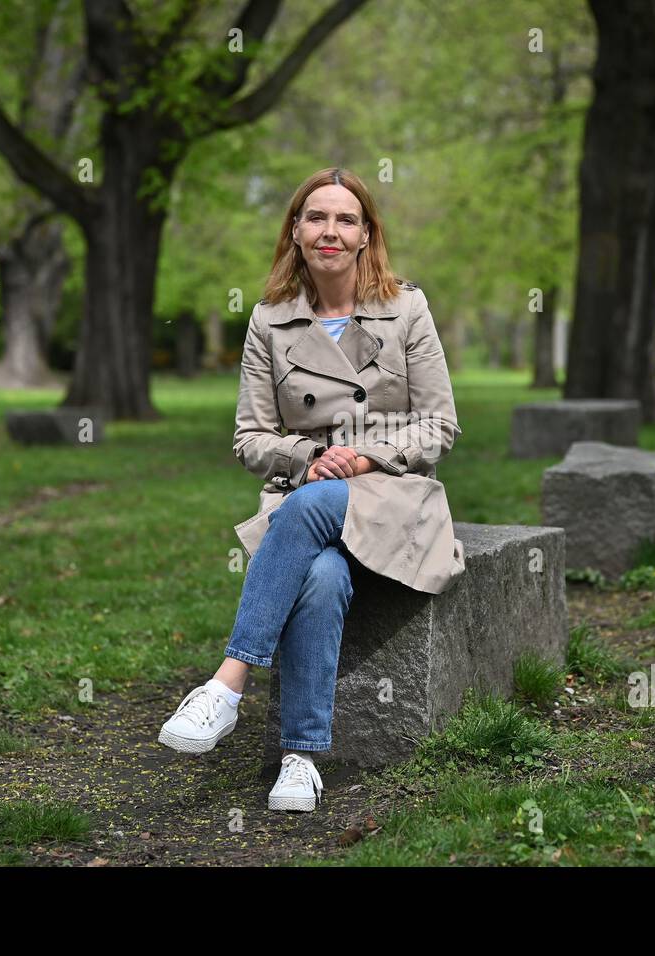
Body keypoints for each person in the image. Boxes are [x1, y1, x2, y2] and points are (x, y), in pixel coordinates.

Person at [159, 167, 465, 812]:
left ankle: (228, 683)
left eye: (346, 219)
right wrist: (314, 455)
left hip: (394, 490)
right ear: (295, 232)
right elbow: (250, 437)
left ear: (365, 236)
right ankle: (300, 760)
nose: (331, 231)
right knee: (321, 578)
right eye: (316, 218)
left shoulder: (407, 307)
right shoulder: (270, 320)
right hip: (306, 485)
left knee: (314, 506)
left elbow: (440, 424)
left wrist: (364, 457)